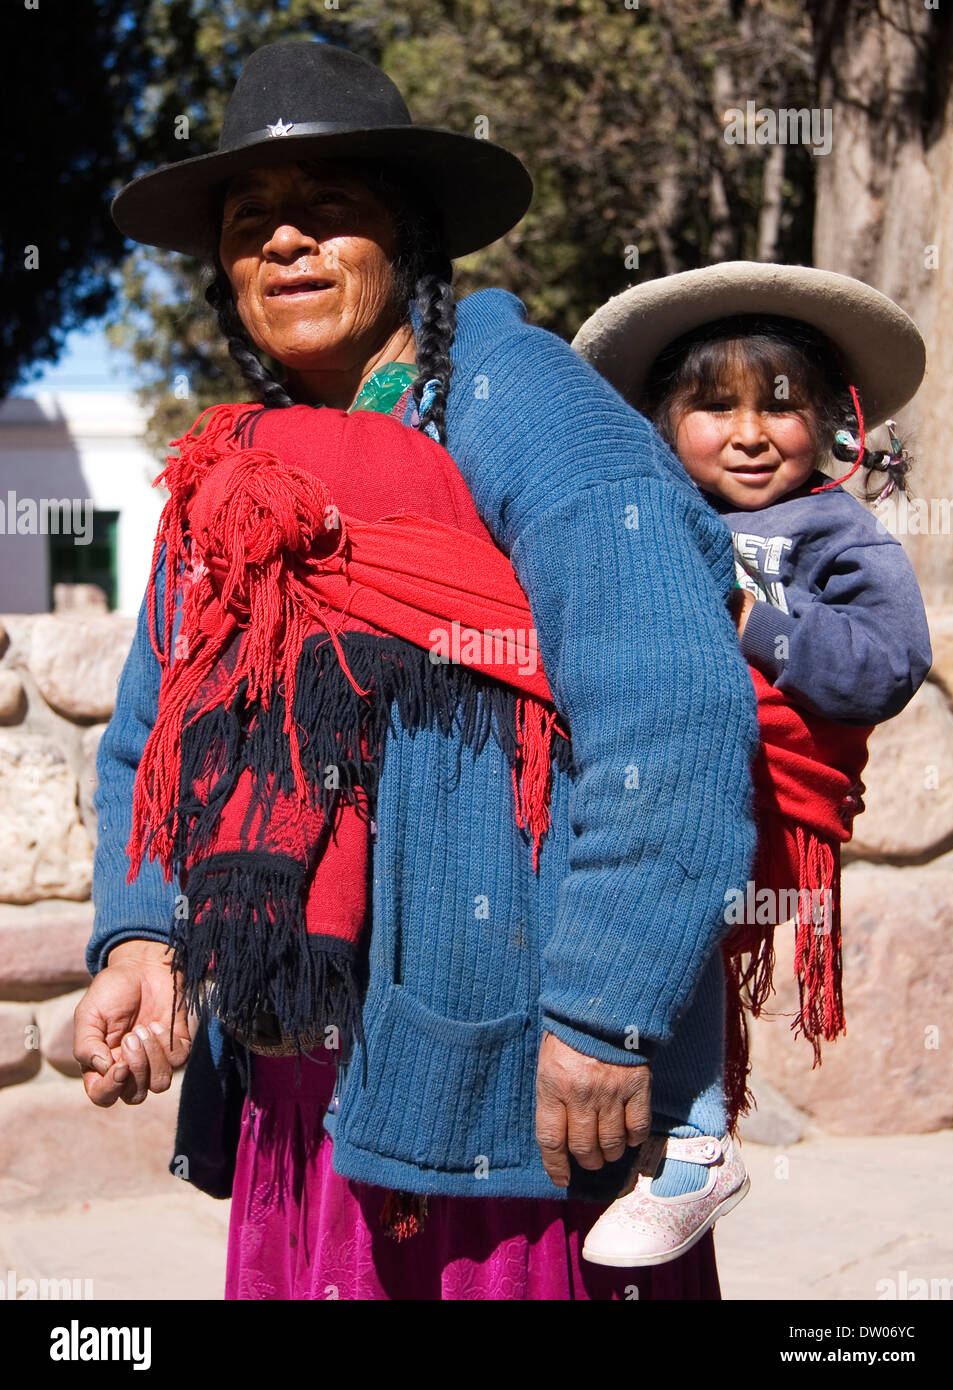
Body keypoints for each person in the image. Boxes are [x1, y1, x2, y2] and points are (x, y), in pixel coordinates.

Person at [73, 40, 759, 1301]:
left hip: (510, 1089)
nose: (287, 243)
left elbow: (667, 704)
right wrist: (138, 940)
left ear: (409, 239)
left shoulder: (526, 409)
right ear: (225, 276)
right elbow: (153, 733)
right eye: (251, 224)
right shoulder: (227, 479)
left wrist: (605, 1011)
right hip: (302, 1072)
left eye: (329, 213)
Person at [571, 261, 931, 1266]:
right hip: (633, 774)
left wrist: (748, 619)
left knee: (675, 932)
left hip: (753, 791)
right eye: (710, 405)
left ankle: (692, 1140)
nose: (746, 431)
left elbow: (886, 664)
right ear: (658, 420)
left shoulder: (832, 531)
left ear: (826, 422)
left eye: (779, 406)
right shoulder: (642, 522)